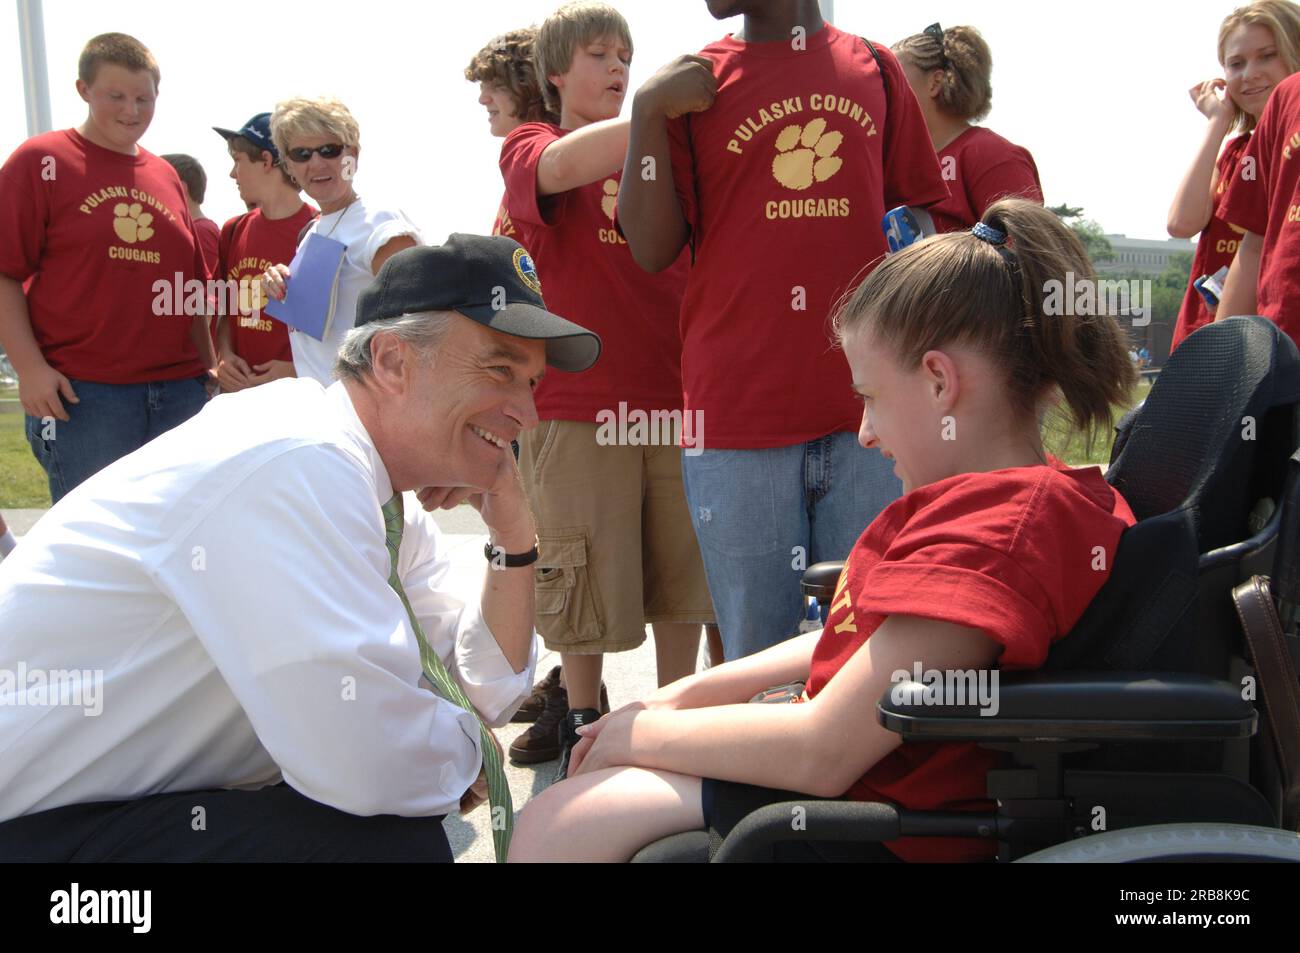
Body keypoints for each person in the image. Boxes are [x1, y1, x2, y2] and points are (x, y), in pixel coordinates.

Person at [507, 199, 1138, 863]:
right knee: (576, 805)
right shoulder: (983, 504)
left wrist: (641, 735)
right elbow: (855, 636)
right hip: (854, 787)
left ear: (938, 381)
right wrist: (683, 695)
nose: (864, 432)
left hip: (878, 820)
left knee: (557, 825)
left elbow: (823, 749)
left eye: (869, 397)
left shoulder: (999, 533)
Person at [0, 234, 601, 863]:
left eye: (530, 382)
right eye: (500, 369)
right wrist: (461, 750)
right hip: (36, 832)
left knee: (383, 832)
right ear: (393, 361)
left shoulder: (376, 491)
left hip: (100, 812)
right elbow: (370, 762)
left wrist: (513, 537)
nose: (528, 414)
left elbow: (480, 692)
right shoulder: (299, 459)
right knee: (384, 849)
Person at [619, 0, 948, 662]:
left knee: (873, 650)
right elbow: (651, 249)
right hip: (738, 418)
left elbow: (917, 232)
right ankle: (759, 771)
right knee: (754, 659)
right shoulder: (690, 87)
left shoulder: (878, 70)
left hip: (868, 418)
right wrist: (647, 113)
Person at [499, 2, 714, 777]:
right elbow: (559, 170)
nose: (618, 68)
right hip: (579, 405)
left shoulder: (663, 158)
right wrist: (660, 110)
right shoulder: (533, 146)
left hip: (676, 399)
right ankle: (585, 722)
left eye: (625, 55)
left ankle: (674, 718)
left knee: (683, 577)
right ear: (554, 72)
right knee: (583, 570)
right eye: (597, 54)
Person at [0, 33, 215, 504]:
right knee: (95, 555)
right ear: (84, 90)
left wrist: (210, 370)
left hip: (180, 393)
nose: (131, 110)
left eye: (144, 98)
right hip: (86, 398)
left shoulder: (166, 177)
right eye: (116, 96)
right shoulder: (41, 161)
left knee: (180, 539)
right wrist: (29, 369)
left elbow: (189, 289)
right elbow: (4, 274)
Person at [261, 97, 421, 386]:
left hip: (369, 416)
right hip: (324, 412)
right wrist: (280, 280)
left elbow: (421, 326)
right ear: (288, 166)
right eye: (301, 154)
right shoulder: (312, 231)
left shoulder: (380, 224)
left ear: (353, 156)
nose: (317, 163)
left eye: (329, 150)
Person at [1169, 1, 1300, 351]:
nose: (1249, 73)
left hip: (1268, 337)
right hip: (1210, 330)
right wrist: (1217, 122)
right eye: (1236, 64)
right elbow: (1181, 223)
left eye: (1267, 56)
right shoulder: (1232, 152)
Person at [893, 23, 1043, 233]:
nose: (885, 90)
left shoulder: (992, 155)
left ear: (935, 83)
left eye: (896, 78)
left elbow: (1027, 254)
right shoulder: (895, 163)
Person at [211, 113, 317, 392]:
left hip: (295, 401)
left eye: (238, 161)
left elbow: (343, 328)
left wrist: (297, 370)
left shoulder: (320, 231)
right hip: (237, 399)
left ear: (267, 161)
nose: (232, 174)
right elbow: (225, 313)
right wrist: (224, 356)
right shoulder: (233, 230)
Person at [465, 26, 558, 238]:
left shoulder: (563, 154)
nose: (482, 99)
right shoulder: (521, 161)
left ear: (530, 84)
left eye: (496, 85)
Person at [162, 152, 221, 278]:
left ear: (181, 188)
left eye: (161, 185)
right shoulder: (198, 229)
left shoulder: (201, 232)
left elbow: (207, 290)